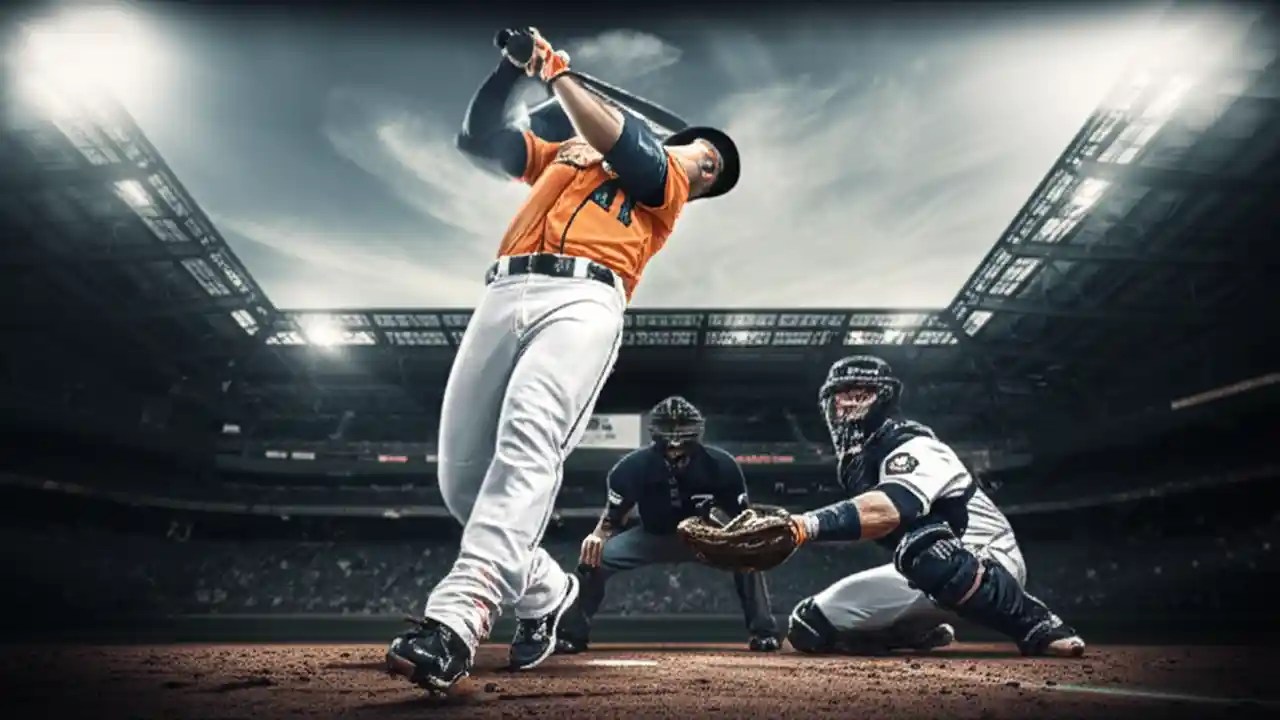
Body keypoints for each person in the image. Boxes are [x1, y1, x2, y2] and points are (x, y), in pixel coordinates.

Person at [385, 28, 741, 693]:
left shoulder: (665, 189)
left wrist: (553, 69)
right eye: (701, 151)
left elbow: (632, 150)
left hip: (585, 298)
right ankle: (546, 589)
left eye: (711, 166)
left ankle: (456, 622)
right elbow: (482, 138)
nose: (703, 163)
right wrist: (506, 73)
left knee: (530, 436)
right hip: (500, 291)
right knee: (461, 485)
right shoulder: (575, 150)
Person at [783, 356, 1087, 657]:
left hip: (985, 558)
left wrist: (801, 526)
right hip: (917, 573)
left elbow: (890, 509)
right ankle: (910, 633)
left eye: (861, 394)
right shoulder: (856, 465)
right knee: (808, 623)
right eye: (841, 396)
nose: (848, 404)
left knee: (923, 550)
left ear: (884, 399)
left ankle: (1037, 625)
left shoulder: (912, 443)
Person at [556, 397, 780, 654]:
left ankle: (764, 632)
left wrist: (747, 540)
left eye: (682, 443)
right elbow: (613, 520)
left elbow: (743, 518)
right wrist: (596, 537)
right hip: (652, 538)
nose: (675, 448)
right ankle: (572, 634)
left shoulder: (722, 465)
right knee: (594, 557)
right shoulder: (631, 468)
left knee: (748, 556)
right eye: (669, 443)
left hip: (706, 537)